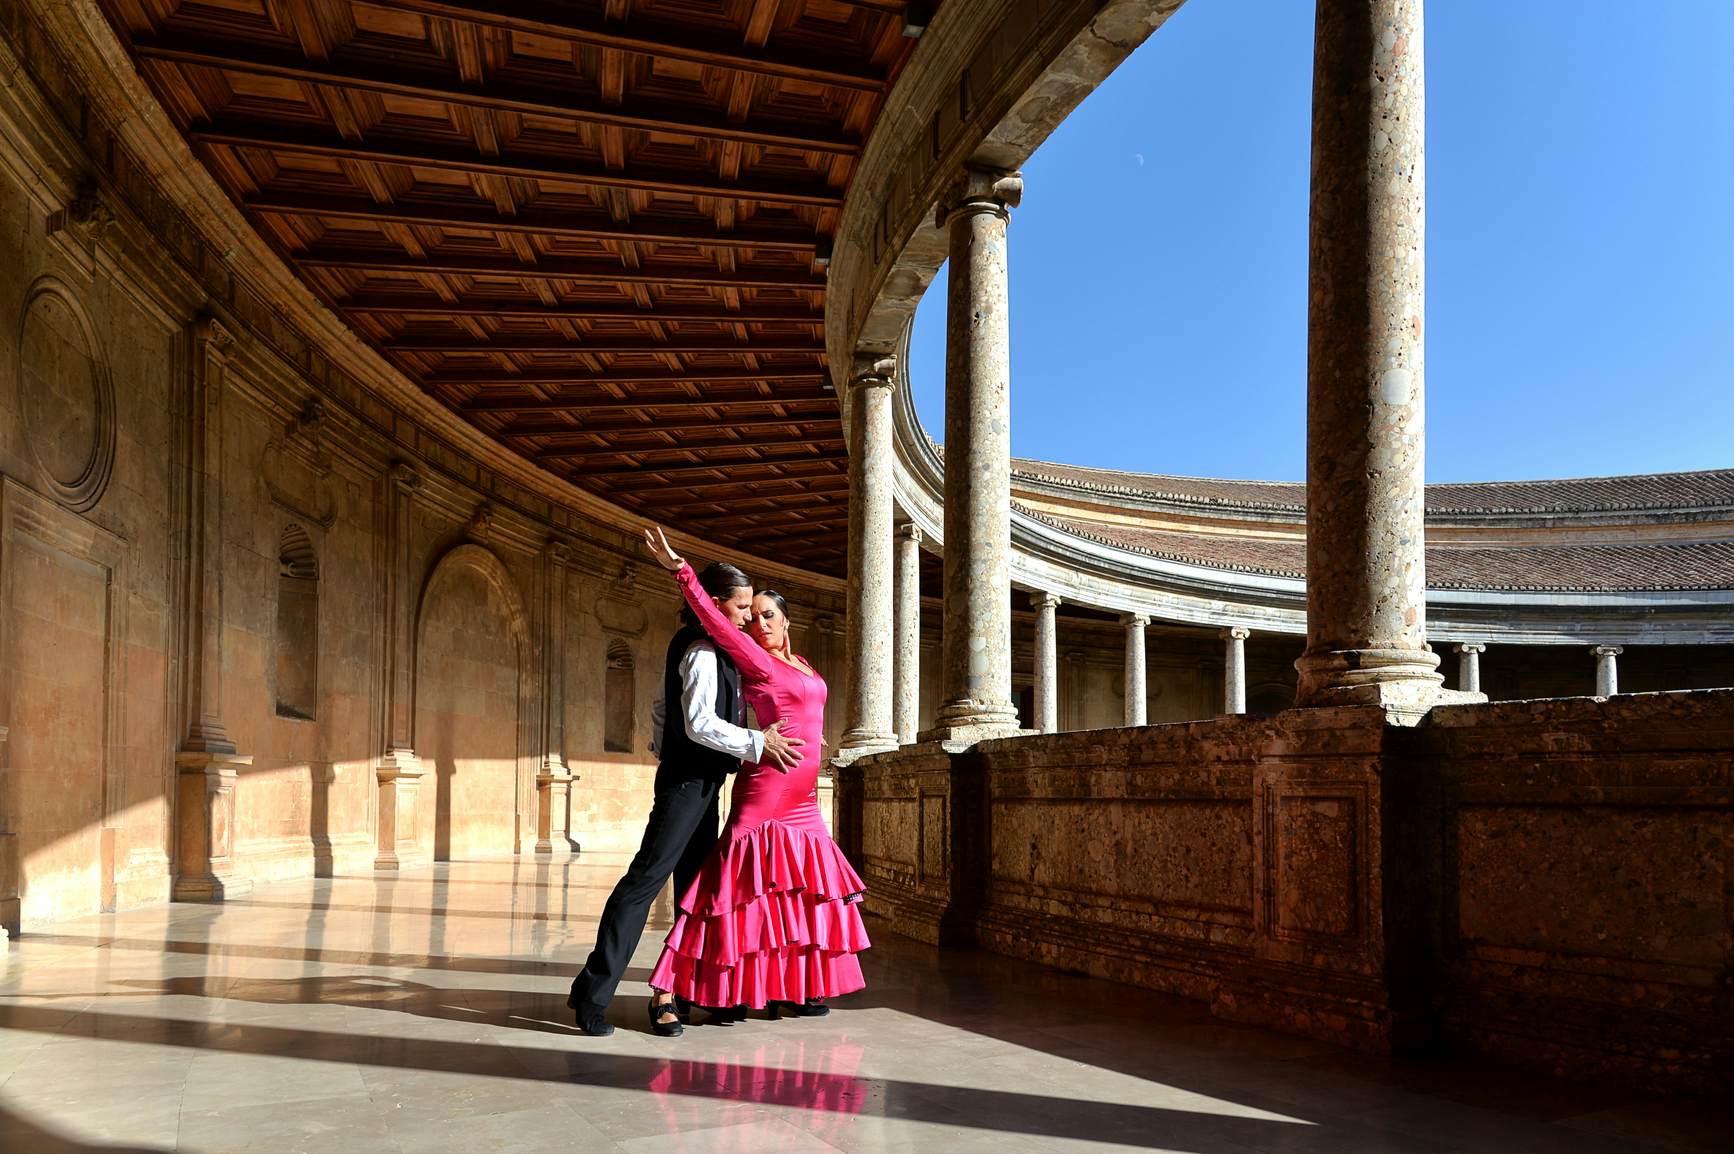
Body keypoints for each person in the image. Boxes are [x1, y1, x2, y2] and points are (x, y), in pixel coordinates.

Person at [567, 560, 806, 1037]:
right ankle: (593, 996)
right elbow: (697, 723)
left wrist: (668, 751)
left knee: (694, 893)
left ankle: (683, 993)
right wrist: (757, 743)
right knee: (644, 884)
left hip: (701, 784)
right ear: (714, 605)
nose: (746, 617)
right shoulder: (699, 648)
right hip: (687, 787)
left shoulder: (718, 649)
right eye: (740, 607)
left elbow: (661, 708)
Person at [640, 526, 871, 1017]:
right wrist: (682, 571)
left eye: (768, 615)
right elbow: (714, 621)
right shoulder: (756, 662)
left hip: (804, 800)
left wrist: (815, 734)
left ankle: (794, 985)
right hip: (766, 789)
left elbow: (807, 708)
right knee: (730, 888)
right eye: (752, 616)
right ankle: (668, 986)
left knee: (800, 891)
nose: (757, 624)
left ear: (787, 621)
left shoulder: (804, 664)